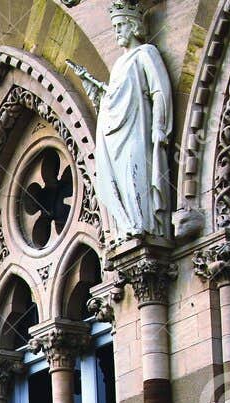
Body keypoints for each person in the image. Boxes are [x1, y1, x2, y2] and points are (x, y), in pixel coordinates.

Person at [69, 1, 172, 241]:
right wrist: (95, 88)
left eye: (120, 26)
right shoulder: (118, 65)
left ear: (133, 26)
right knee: (118, 181)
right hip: (115, 136)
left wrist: (159, 127)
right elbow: (113, 98)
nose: (116, 33)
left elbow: (160, 91)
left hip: (137, 130)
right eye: (114, 27)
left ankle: (144, 223)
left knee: (135, 175)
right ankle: (127, 226)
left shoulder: (146, 53)